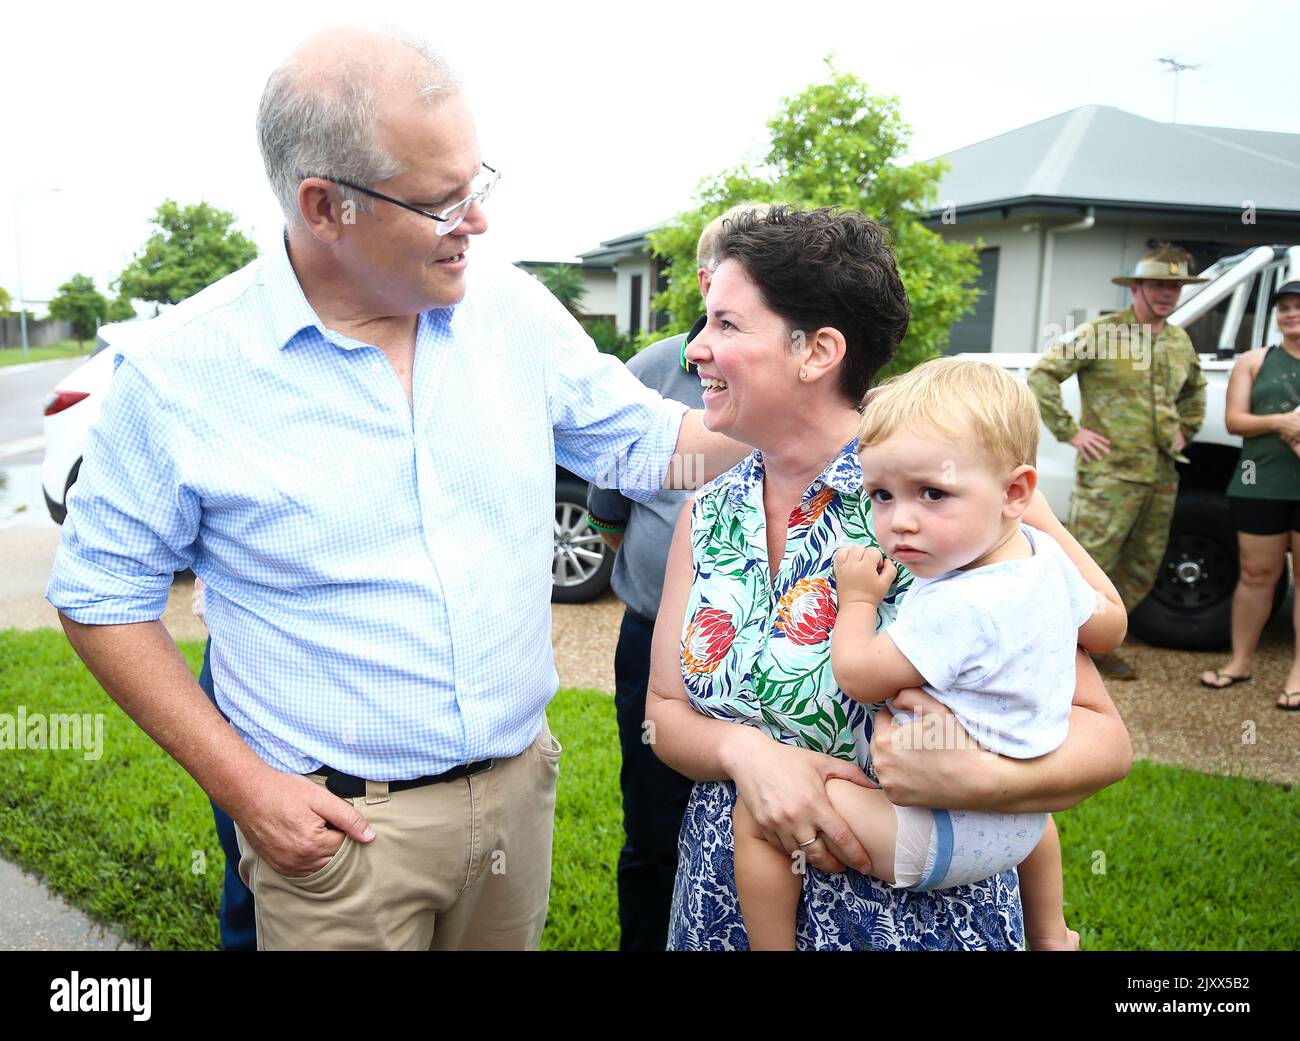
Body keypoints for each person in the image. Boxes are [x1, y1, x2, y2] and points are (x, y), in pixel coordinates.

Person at [45, 27, 744, 951]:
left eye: (478, 183)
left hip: (516, 798)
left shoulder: (513, 311)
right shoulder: (181, 373)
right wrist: (247, 790)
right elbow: (101, 599)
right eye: (440, 201)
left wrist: (814, 424)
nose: (479, 222)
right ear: (323, 205)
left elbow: (649, 451)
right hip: (339, 836)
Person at [646, 206, 1133, 950]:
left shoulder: (948, 503)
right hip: (725, 904)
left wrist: (979, 782)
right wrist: (748, 755)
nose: (695, 350)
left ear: (818, 351)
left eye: (725, 324)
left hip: (918, 916)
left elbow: (1105, 741)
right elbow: (664, 711)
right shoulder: (707, 513)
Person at [730, 358, 1127, 951]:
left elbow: (862, 677)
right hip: (1023, 825)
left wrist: (859, 600)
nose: (900, 523)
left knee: (758, 817)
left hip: (938, 834)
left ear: (1015, 492)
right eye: (882, 495)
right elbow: (1104, 624)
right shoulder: (1043, 558)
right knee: (1041, 827)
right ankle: (1051, 933)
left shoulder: (959, 603)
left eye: (932, 494)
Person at [586, 203, 766, 950]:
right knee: (656, 824)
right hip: (653, 640)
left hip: (763, 653)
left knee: (757, 824)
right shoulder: (653, 372)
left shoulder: (797, 379)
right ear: (705, 280)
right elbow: (608, 505)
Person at [1029, 244, 1208, 681]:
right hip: (1110, 476)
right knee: (1088, 561)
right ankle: (1053, 650)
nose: (1167, 294)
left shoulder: (1179, 340)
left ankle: (1100, 643)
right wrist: (1071, 432)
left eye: (1175, 286)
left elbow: (1195, 389)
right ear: (1136, 288)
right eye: (1158, 285)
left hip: (1160, 474)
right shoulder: (1105, 332)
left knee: (1142, 563)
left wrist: (1188, 425)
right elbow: (1043, 374)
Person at [1200, 280, 1300, 710]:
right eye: (1284, 307)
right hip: (1260, 483)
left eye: (1299, 307)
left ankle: (1298, 674)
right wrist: (1284, 424)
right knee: (1257, 575)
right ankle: (1240, 662)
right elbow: (1236, 421)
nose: (1291, 314)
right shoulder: (1254, 361)